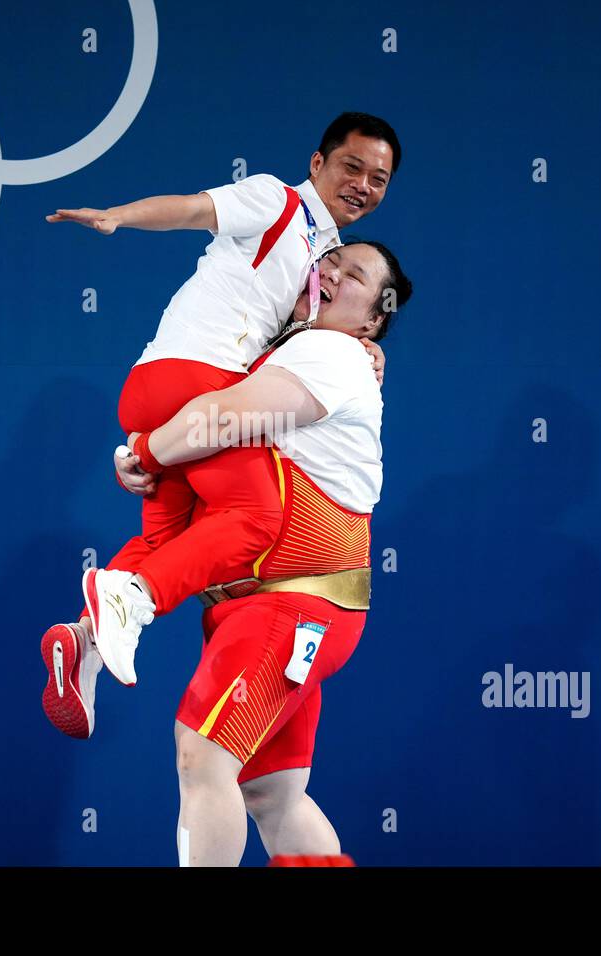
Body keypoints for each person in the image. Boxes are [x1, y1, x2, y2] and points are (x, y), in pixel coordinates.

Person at [41, 114, 401, 733]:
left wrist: (372, 346)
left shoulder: (327, 260)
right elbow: (190, 210)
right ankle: (130, 599)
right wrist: (119, 216)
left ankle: (82, 644)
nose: (364, 184)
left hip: (162, 388)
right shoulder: (277, 201)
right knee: (256, 519)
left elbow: (297, 342)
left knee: (166, 541)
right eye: (351, 167)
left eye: (379, 178)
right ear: (317, 164)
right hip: (195, 381)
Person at [114, 240, 412, 865]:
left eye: (353, 276)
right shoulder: (293, 348)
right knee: (274, 795)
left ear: (373, 320)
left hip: (293, 607)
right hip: (279, 607)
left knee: (203, 754)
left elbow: (219, 422)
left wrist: (143, 450)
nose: (330, 273)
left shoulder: (330, 351)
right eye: (327, 261)